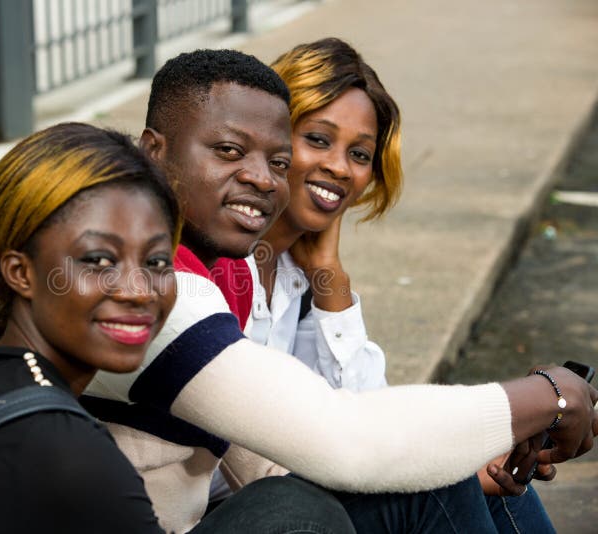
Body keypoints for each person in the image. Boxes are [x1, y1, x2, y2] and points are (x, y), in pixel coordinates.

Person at [80, 49, 598, 533]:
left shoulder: (226, 276)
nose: (262, 178)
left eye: (277, 162)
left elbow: (272, 448)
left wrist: (446, 453)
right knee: (341, 496)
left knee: (442, 476)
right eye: (230, 151)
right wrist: (545, 396)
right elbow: (340, 435)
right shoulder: (150, 291)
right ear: (155, 151)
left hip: (217, 505)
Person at [0, 122, 353, 533]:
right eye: (99, 259)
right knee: (300, 512)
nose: (139, 290)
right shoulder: (71, 453)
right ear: (21, 271)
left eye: (158, 260)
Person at [213, 37, 556, 532]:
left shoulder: (298, 276)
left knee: (486, 475)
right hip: (229, 512)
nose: (338, 166)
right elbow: (334, 445)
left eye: (359, 153)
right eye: (317, 139)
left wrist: (330, 279)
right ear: (272, 135)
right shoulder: (216, 265)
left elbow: (366, 406)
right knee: (437, 474)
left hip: (291, 493)